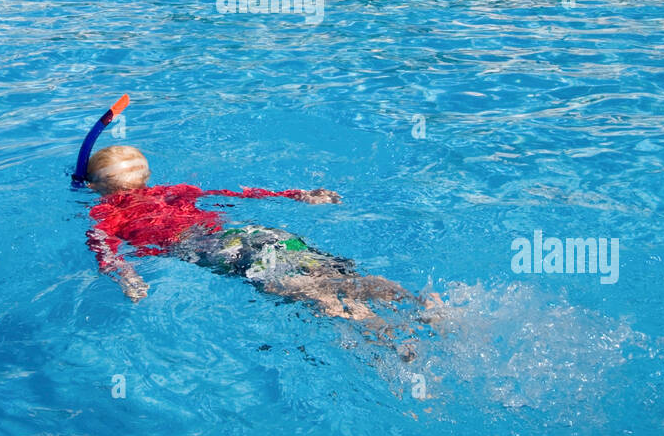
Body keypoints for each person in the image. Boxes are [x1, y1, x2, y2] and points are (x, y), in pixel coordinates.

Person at [81, 142, 441, 338]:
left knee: (294, 287)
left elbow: (104, 249)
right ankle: (418, 302)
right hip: (249, 231)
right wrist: (296, 194)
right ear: (148, 176)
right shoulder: (176, 191)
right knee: (329, 271)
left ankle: (382, 332)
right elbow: (238, 194)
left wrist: (128, 278)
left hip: (213, 248)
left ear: (95, 188)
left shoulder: (105, 213)